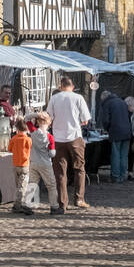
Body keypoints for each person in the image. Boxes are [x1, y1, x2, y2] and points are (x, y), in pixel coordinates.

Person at [48, 76, 92, 210]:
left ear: (61, 86)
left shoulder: (54, 98)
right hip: (74, 137)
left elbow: (48, 118)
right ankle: (79, 199)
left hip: (58, 138)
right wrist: (75, 123)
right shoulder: (78, 98)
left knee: (60, 172)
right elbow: (85, 120)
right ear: (72, 87)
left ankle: (62, 203)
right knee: (79, 169)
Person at [97, 89, 132, 184]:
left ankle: (115, 176)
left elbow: (105, 120)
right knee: (124, 155)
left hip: (116, 132)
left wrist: (107, 129)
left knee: (116, 155)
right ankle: (123, 175)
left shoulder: (107, 103)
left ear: (103, 98)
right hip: (127, 131)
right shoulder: (122, 102)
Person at [28, 111, 60, 214]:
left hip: (33, 162)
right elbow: (52, 153)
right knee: (51, 185)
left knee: (32, 183)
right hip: (45, 163)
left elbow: (26, 118)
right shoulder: (50, 137)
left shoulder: (33, 131)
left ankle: (27, 205)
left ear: (38, 121)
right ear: (49, 123)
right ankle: (54, 206)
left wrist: (36, 115)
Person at [8, 118, 35, 215]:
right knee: (22, 186)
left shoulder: (14, 139)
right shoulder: (28, 139)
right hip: (25, 165)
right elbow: (31, 149)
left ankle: (19, 203)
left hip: (15, 164)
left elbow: (9, 149)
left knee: (18, 185)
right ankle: (18, 205)